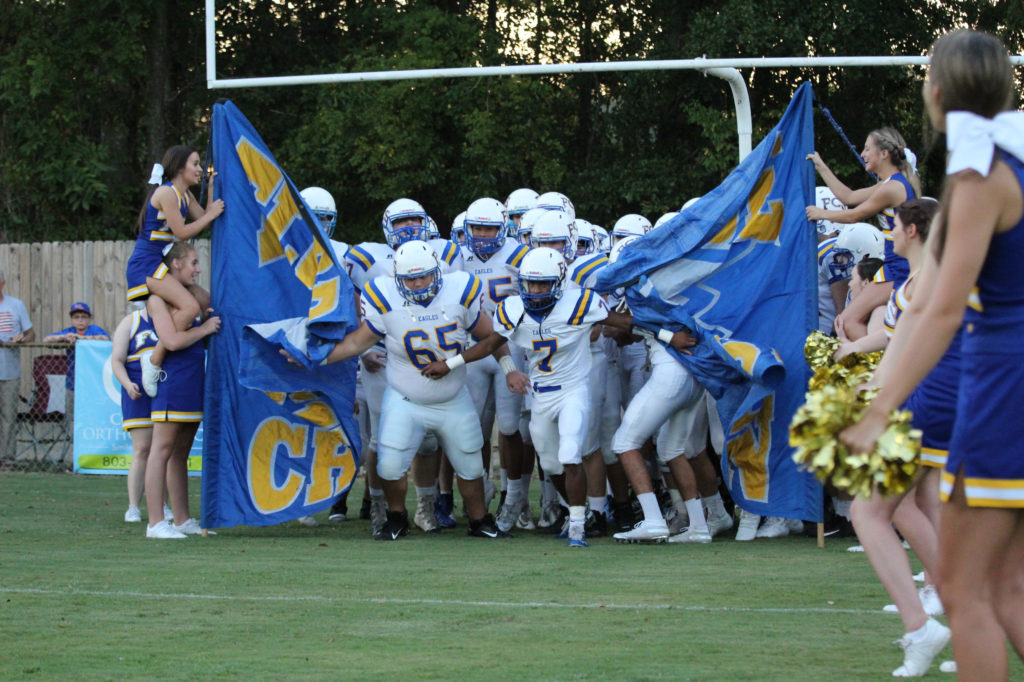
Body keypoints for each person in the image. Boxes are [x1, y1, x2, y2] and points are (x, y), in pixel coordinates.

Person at [841, 29, 1023, 679]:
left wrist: (878, 408)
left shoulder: (980, 174)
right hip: (1002, 381)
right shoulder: (1003, 160)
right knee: (1005, 587)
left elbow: (941, 309)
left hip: (1004, 383)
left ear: (937, 91)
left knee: (964, 585)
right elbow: (919, 309)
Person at [294, 240, 511, 541]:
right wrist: (312, 356)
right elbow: (357, 343)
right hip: (405, 399)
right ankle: (397, 518)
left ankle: (480, 520)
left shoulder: (460, 290)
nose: (419, 283)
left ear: (438, 272)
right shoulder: (384, 297)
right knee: (391, 463)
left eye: (423, 276)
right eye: (410, 278)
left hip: (452, 399)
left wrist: (509, 370)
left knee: (471, 465)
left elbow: (493, 337)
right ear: (397, 278)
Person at [843, 198, 949, 676]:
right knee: (921, 506)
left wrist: (877, 396)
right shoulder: (922, 279)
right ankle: (960, 616)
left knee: (868, 510)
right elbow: (894, 340)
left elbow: (910, 346)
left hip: (928, 400)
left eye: (893, 226)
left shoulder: (929, 279)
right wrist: (858, 367)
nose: (889, 235)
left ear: (912, 230)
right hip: (933, 398)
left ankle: (922, 624)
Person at [127, 145, 224, 398]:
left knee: (204, 300)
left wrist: (212, 190)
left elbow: (203, 219)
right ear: (180, 167)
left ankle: (194, 344)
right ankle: (154, 360)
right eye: (195, 163)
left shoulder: (185, 195)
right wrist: (211, 214)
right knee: (190, 307)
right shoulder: (166, 193)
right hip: (146, 264)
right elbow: (182, 232)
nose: (200, 169)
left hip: (160, 263)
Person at [806, 128, 920, 342]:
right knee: (858, 320)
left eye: (867, 149)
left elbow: (854, 215)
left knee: (848, 321)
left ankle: (874, 369)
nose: (863, 154)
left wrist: (821, 213)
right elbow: (849, 197)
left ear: (884, 154)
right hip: (894, 265)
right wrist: (820, 166)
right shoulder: (887, 184)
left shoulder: (893, 188)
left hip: (898, 268)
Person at [143, 242, 221, 538]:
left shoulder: (191, 297)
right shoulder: (157, 300)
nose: (198, 269)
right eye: (193, 263)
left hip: (191, 379)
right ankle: (154, 523)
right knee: (160, 451)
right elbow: (172, 341)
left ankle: (182, 519)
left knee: (180, 454)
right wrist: (204, 328)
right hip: (170, 380)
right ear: (175, 264)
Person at [109, 304, 161, 523]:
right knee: (142, 449)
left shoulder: (173, 317)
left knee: (164, 450)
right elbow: (117, 360)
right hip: (137, 392)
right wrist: (128, 384)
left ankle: (163, 506)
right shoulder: (131, 321)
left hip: (165, 388)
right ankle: (133, 507)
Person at [43, 302, 110, 424]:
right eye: (76, 317)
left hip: (93, 381)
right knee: (72, 416)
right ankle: (71, 441)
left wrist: (80, 339)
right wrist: (64, 338)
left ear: (89, 319)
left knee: (93, 414)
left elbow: (106, 338)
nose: (80, 321)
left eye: (83, 317)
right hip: (72, 381)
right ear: (72, 320)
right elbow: (46, 339)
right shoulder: (69, 332)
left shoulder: (93, 330)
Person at [0, 268, 34, 461]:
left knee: (8, 417)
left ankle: (7, 459)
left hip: (9, 372)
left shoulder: (16, 305)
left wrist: (23, 337)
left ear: (3, 283)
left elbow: (31, 333)